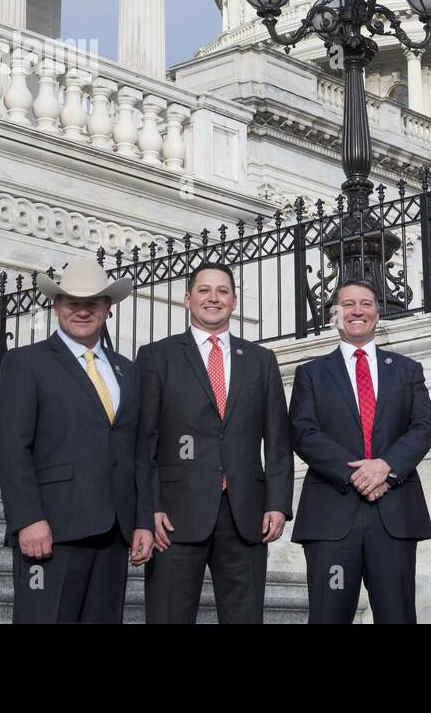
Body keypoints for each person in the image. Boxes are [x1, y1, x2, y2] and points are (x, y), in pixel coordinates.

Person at [0, 258, 153, 623]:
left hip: (114, 534)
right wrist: (27, 519)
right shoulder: (25, 362)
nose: (82, 311)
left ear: (108, 310)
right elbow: (11, 448)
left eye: (92, 303)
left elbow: (139, 452)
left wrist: (142, 520)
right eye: (72, 302)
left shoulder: (126, 369)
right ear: (56, 306)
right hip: (53, 531)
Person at [136, 262, 294, 624]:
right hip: (173, 516)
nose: (214, 298)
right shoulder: (156, 357)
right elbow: (145, 441)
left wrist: (278, 503)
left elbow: (278, 441)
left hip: (245, 514)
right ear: (187, 299)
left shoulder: (261, 361)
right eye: (204, 290)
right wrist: (150, 506)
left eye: (222, 291)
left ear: (235, 301)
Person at [289, 279, 431, 623]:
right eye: (349, 304)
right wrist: (358, 473)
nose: (358, 311)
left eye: (366, 304)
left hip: (394, 513)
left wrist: (386, 466)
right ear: (334, 315)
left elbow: (423, 427)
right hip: (332, 517)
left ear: (377, 312)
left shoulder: (406, 370)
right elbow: (302, 432)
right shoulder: (311, 373)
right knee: (329, 616)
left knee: (397, 616)